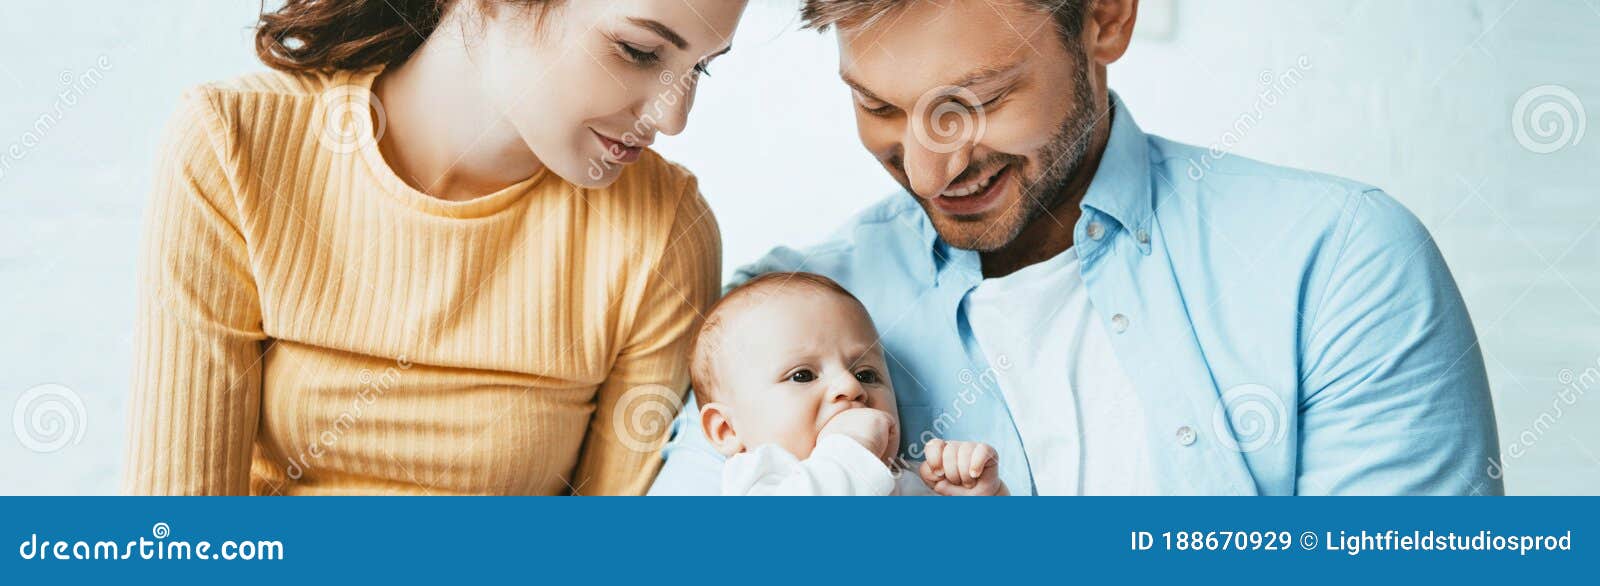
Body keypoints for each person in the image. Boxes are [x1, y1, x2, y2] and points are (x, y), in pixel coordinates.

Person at [651, 0, 1500, 496]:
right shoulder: (786, 321)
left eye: (973, 102)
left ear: (1105, 18)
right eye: (877, 109)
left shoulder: (1338, 263)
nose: (924, 163)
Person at [124, 0, 747, 495]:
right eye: (638, 51)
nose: (673, 118)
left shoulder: (664, 228)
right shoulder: (237, 145)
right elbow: (177, 536)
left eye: (700, 67)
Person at [690, 272, 1006, 496]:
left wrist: (981, 496)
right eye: (803, 375)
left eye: (867, 374)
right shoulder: (758, 481)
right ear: (727, 430)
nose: (850, 386)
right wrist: (850, 448)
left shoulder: (910, 481)